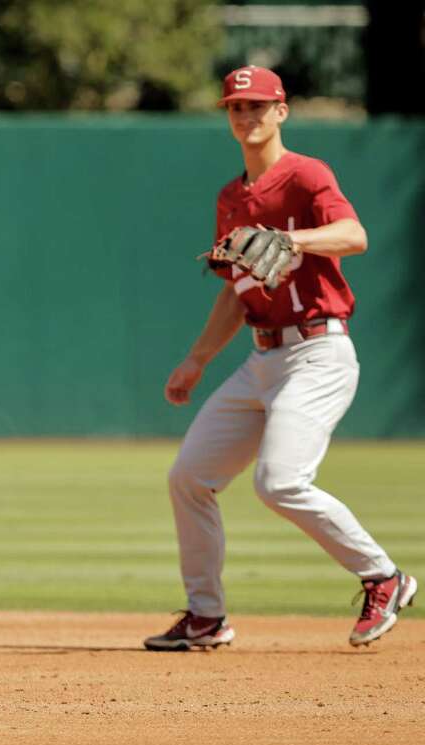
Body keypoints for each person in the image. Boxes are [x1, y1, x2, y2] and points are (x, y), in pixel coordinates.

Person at [144, 66, 416, 651]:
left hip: (320, 350)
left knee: (279, 481)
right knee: (188, 477)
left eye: (258, 107)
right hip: (261, 359)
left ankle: (384, 576)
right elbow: (235, 291)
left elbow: (353, 234)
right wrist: (197, 359)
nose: (246, 117)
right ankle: (206, 617)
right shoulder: (231, 197)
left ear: (282, 112)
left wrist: (298, 239)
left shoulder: (306, 174)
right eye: (237, 108)